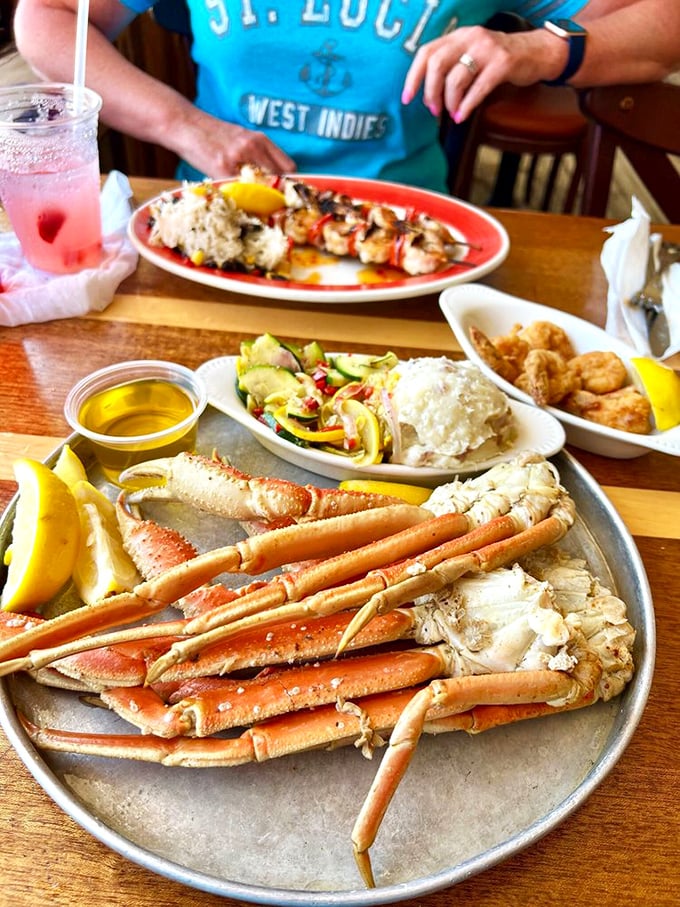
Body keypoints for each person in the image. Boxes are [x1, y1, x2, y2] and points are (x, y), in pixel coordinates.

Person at [12, 0, 680, 193]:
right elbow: (44, 15)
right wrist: (187, 127)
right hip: (218, 230)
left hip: (406, 239)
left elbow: (665, 20)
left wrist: (540, 48)